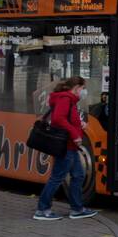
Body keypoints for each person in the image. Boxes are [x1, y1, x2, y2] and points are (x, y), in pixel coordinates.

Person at [34, 76, 99, 221]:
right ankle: (42, 209)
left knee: (78, 175)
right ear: (76, 88)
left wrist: (79, 124)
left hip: (70, 147)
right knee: (57, 177)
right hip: (66, 146)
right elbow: (58, 119)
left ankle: (77, 209)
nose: (84, 91)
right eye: (83, 88)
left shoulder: (68, 99)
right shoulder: (65, 99)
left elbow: (66, 118)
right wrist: (75, 133)